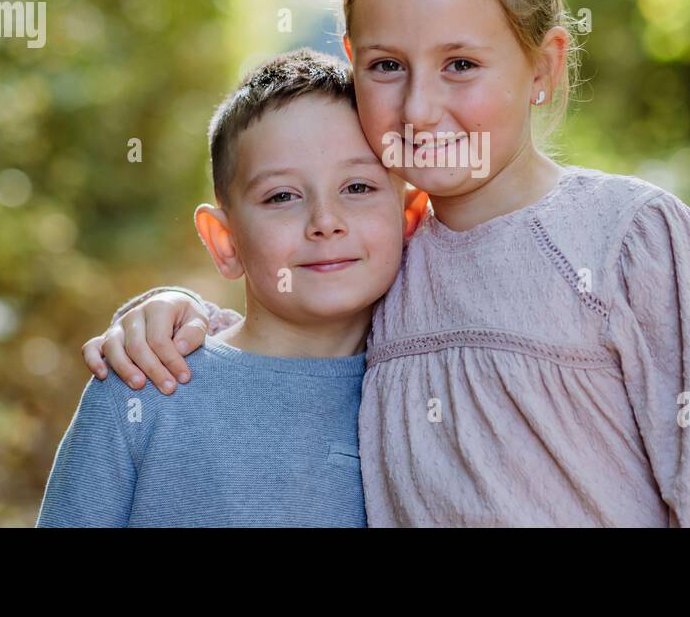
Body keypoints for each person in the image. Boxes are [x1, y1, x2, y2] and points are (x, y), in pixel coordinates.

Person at [82, 0, 690, 527]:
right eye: (388, 66)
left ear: (542, 66)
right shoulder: (389, 258)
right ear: (353, 60)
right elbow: (282, 352)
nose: (420, 108)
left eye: (461, 64)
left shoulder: (630, 240)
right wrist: (177, 313)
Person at [38, 48, 423, 526]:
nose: (326, 222)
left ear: (410, 217)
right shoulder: (146, 382)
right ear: (225, 241)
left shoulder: (422, 398)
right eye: (281, 196)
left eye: (358, 187)